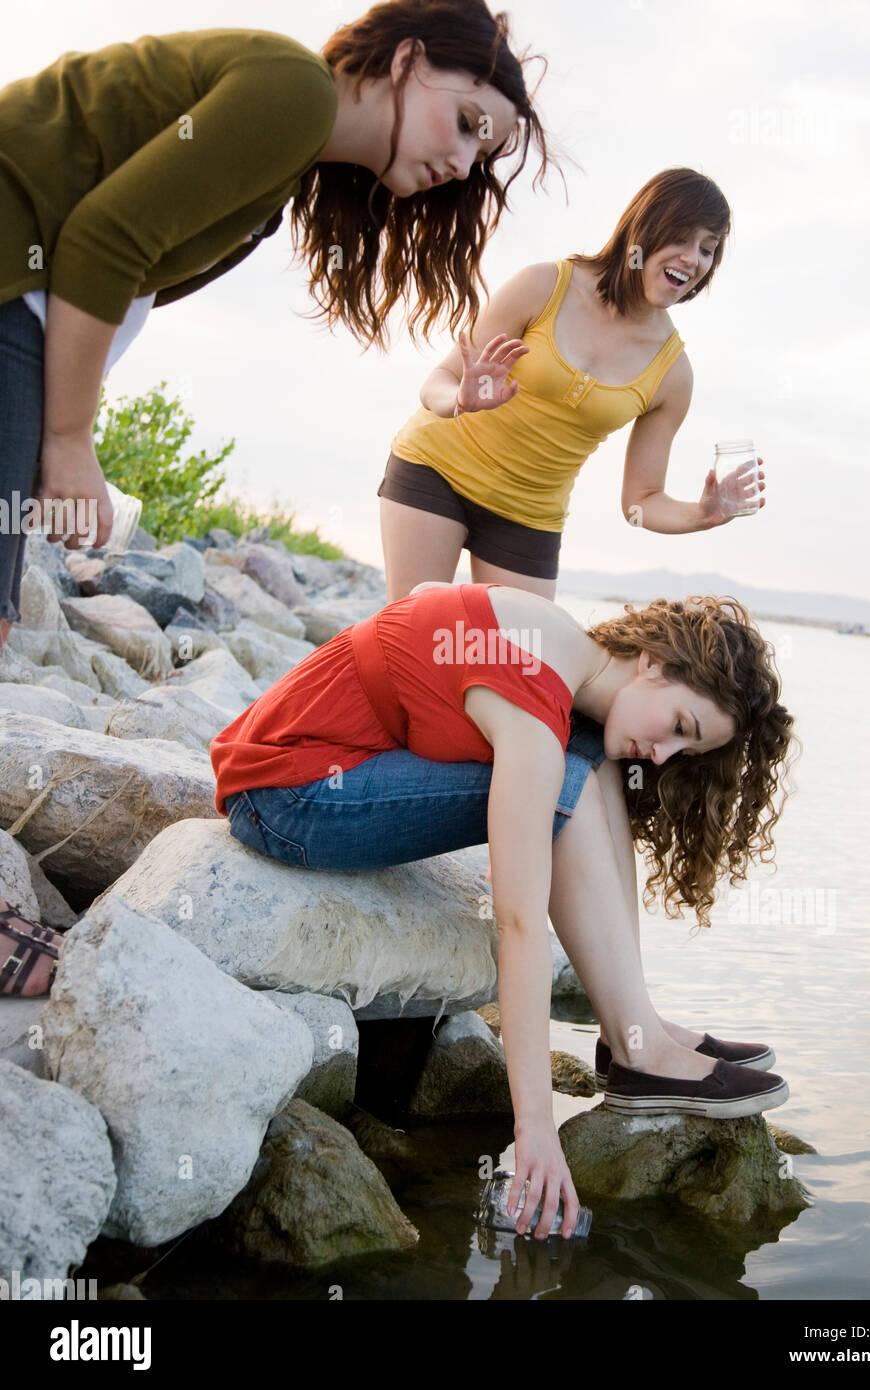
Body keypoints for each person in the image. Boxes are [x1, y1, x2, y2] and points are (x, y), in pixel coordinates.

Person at [203, 579, 796, 1240]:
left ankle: (634, 1030)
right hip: (287, 797)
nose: (663, 756)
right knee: (567, 781)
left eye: (687, 752)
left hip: (326, 766)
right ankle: (639, 1051)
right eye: (680, 729)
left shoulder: (564, 648)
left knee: (591, 758)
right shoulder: (535, 692)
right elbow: (517, 922)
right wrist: (534, 1129)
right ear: (656, 662)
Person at [0, 0, 555, 658]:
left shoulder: (287, 166)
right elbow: (102, 244)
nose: (463, 165)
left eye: (480, 153)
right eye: (466, 124)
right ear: (407, 59)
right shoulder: (295, 91)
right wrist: (67, 439)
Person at [378, 167, 765, 602]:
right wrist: (460, 401)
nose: (694, 259)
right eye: (682, 238)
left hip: (528, 516)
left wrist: (703, 514)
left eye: (708, 249)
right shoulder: (544, 285)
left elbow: (641, 500)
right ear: (644, 227)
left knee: (517, 667)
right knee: (411, 642)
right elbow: (439, 381)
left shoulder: (673, 373)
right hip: (436, 470)